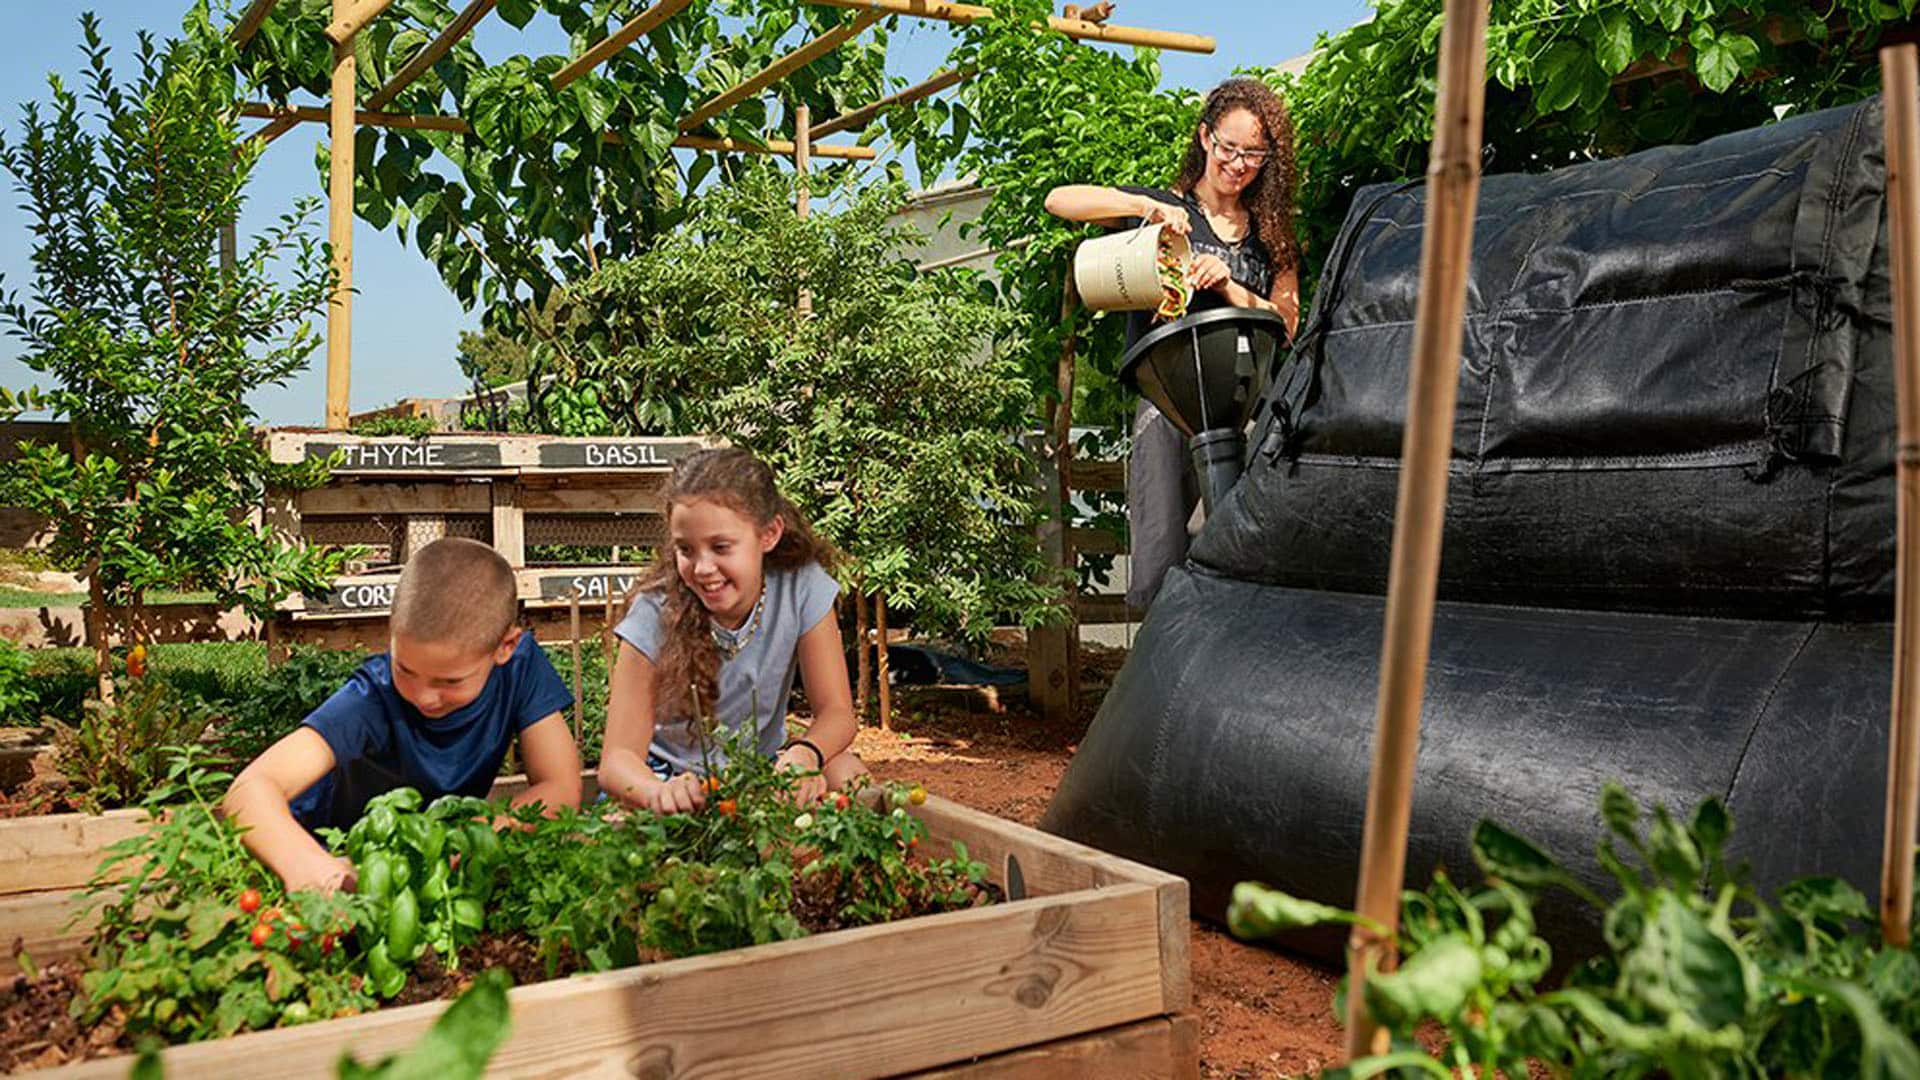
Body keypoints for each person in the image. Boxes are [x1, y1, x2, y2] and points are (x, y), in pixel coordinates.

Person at [1044, 77, 1302, 609]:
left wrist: (1229, 285)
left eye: (1254, 153)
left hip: (1245, 408)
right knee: (1161, 549)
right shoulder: (1164, 212)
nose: (1238, 163)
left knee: (1239, 547)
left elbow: (1287, 321)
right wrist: (1144, 206)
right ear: (1206, 138)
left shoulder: (1272, 234)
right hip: (1166, 404)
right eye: (1229, 148)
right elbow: (1058, 200)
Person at [225, 537, 583, 892]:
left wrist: (474, 837)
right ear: (391, 634)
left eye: (450, 680)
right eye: (406, 669)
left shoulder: (520, 668)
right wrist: (311, 866)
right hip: (323, 853)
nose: (424, 697)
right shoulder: (371, 697)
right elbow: (250, 789)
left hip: (416, 867)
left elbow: (561, 786)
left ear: (505, 647)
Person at [602, 447, 864, 813]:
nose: (703, 567)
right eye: (686, 549)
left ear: (769, 534)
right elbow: (617, 760)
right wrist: (658, 793)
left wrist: (805, 753)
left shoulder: (801, 586)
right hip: (668, 779)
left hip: (761, 771)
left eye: (721, 547)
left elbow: (837, 712)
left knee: (847, 771)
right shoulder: (654, 612)